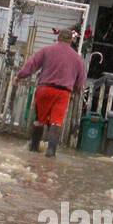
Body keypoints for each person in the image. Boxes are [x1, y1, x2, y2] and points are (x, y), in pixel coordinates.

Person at [15, 27, 87, 158]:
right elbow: (81, 81)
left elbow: (31, 65)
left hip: (44, 89)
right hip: (63, 93)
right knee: (56, 122)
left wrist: (19, 76)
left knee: (39, 121)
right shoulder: (77, 59)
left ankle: (33, 149)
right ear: (71, 41)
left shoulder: (46, 50)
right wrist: (76, 90)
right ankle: (51, 152)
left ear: (58, 38)